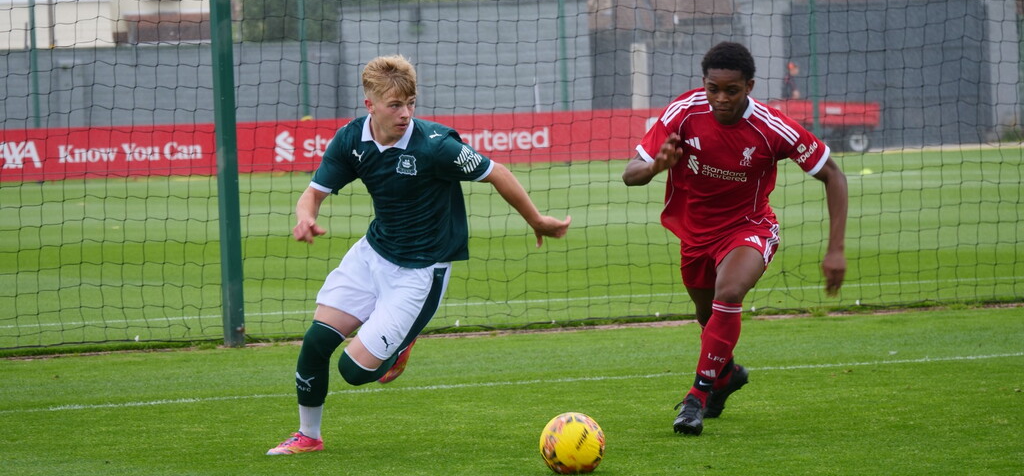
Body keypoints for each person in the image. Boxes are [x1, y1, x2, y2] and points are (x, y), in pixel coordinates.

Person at [268, 54, 572, 455]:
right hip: (373, 255)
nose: (405, 113)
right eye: (395, 105)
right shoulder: (350, 139)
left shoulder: (435, 147)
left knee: (353, 371)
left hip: (420, 271)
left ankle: (402, 338)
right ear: (370, 106)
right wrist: (305, 218)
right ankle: (309, 436)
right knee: (315, 343)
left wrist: (535, 220)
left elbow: (496, 171)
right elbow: (312, 194)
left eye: (411, 103)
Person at [622, 42, 847, 436]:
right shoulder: (684, 112)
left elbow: (834, 175)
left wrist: (836, 250)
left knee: (728, 294)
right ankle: (725, 376)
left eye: (732, 90)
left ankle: (696, 398)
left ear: (750, 86)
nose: (721, 98)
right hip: (695, 235)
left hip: (750, 227)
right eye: (713, 89)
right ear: (703, 83)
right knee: (707, 318)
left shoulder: (771, 127)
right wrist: (659, 164)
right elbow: (630, 173)